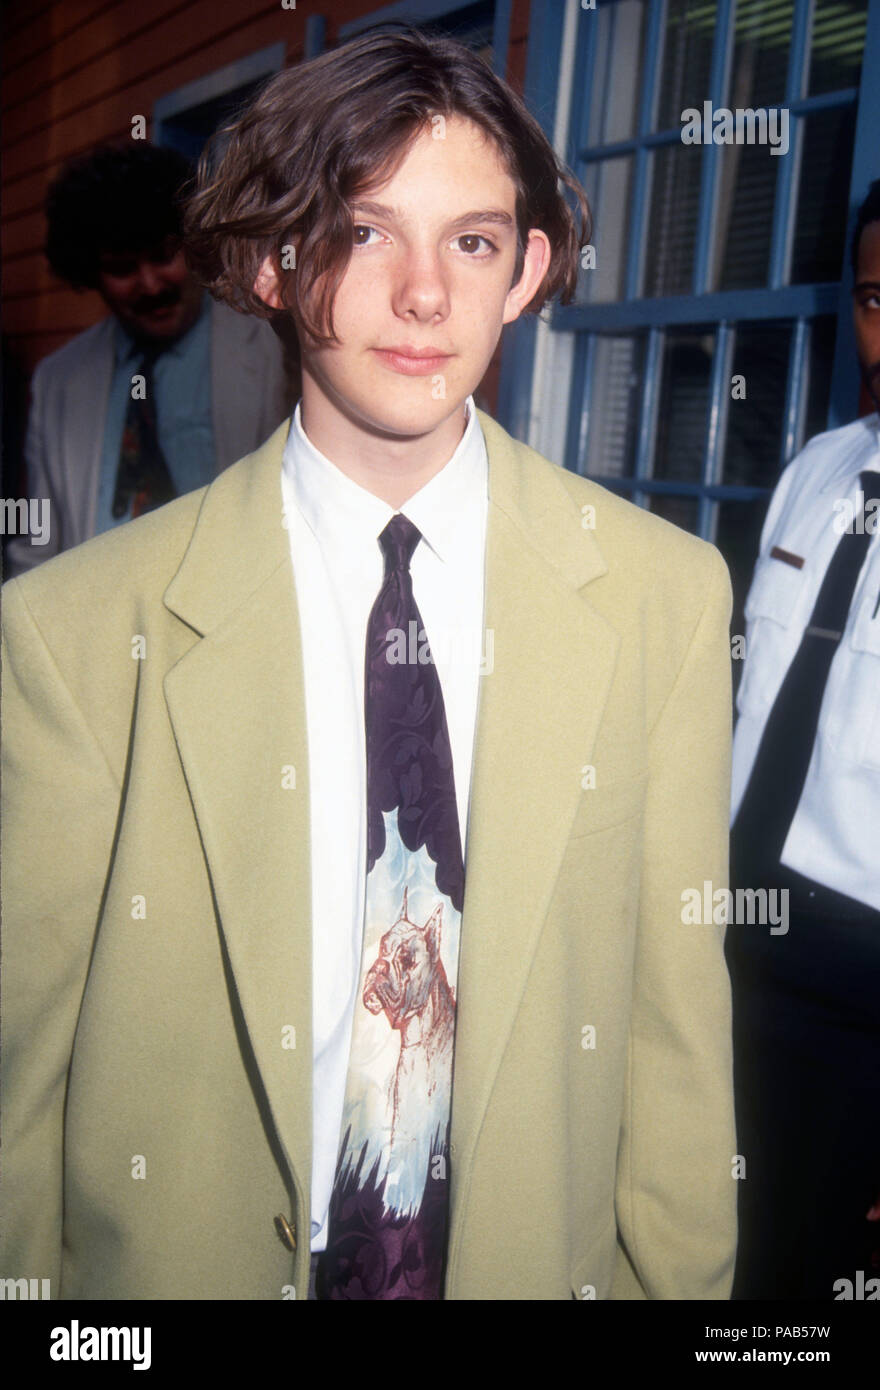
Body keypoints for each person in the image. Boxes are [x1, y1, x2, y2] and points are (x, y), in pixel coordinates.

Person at [0, 28, 736, 1301]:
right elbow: (22, 1074)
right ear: (276, 265)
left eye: (471, 240)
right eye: (362, 229)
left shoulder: (665, 599)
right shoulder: (74, 634)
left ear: (527, 271)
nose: (422, 296)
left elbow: (676, 1039)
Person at [726, 179, 880, 1300]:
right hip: (728, 930)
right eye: (878, 300)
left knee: (809, 1274)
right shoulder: (819, 467)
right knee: (707, 1238)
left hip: (864, 982)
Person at [4, 143, 291, 577]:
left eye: (163, 256)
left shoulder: (272, 347)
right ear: (90, 274)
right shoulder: (57, 381)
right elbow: (37, 541)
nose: (151, 284)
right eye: (122, 269)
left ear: (194, 248)